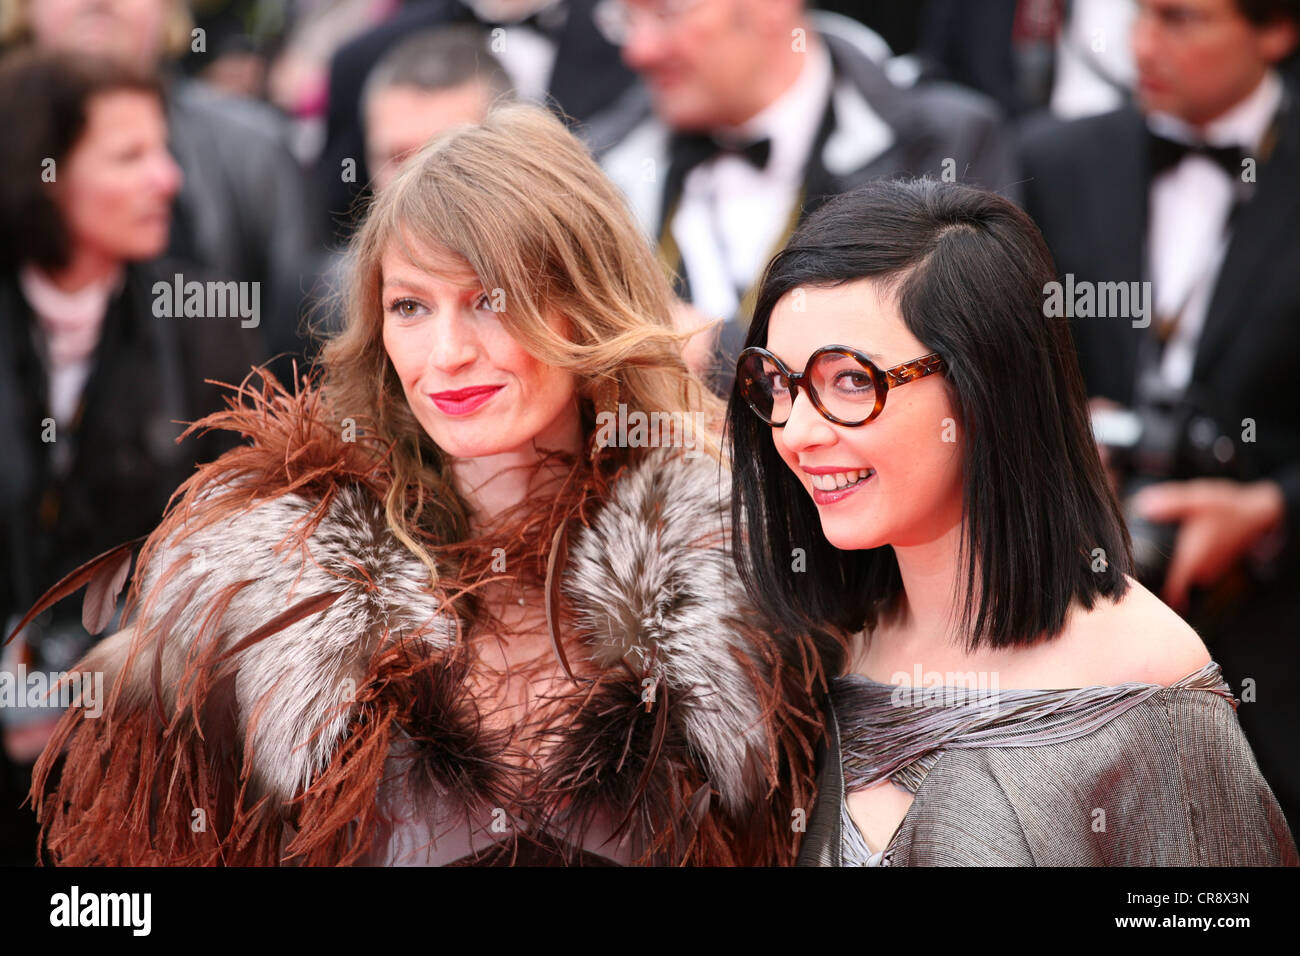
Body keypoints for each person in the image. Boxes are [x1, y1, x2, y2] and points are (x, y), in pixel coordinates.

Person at [21, 101, 828, 866]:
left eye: (488, 302)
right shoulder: (267, 591)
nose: (445, 354)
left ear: (585, 307)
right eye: (410, 306)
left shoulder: (745, 568)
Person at [726, 177, 1298, 866]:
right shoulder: (811, 648)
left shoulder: (1148, 686)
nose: (798, 432)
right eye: (780, 383)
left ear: (983, 385)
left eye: (851, 381)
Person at [1018, 0, 1300, 837]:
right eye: (1139, 14)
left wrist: (1272, 509)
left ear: (1277, 29)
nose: (1142, 45)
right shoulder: (1054, 157)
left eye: (1181, 19)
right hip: (1076, 614)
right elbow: (991, 358)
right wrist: (1058, 439)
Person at [0, 49, 261, 862]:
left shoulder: (203, 321)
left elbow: (245, 546)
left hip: (148, 754)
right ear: (43, 174)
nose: (168, 179)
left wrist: (112, 677)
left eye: (164, 148)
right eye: (129, 157)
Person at [587, 0, 1020, 392]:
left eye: (667, 13)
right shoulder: (594, 164)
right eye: (624, 18)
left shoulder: (943, 141)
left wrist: (714, 353)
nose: (638, 50)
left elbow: (964, 357)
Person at [3, 0, 319, 383]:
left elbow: (300, 341)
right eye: (126, 157)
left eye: (151, 151)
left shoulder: (254, 150)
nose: (98, 3)